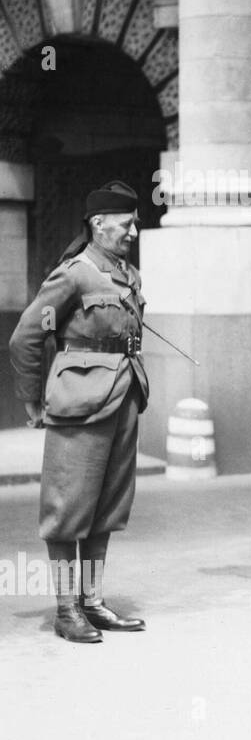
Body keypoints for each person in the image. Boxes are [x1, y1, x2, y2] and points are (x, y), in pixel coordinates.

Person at [9, 180, 149, 643]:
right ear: (98, 223)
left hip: (124, 394)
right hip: (80, 401)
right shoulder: (74, 273)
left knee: (106, 505)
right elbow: (26, 335)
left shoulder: (127, 274)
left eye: (134, 222)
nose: (133, 230)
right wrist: (33, 397)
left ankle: (92, 601)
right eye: (126, 223)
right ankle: (66, 609)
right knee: (69, 505)